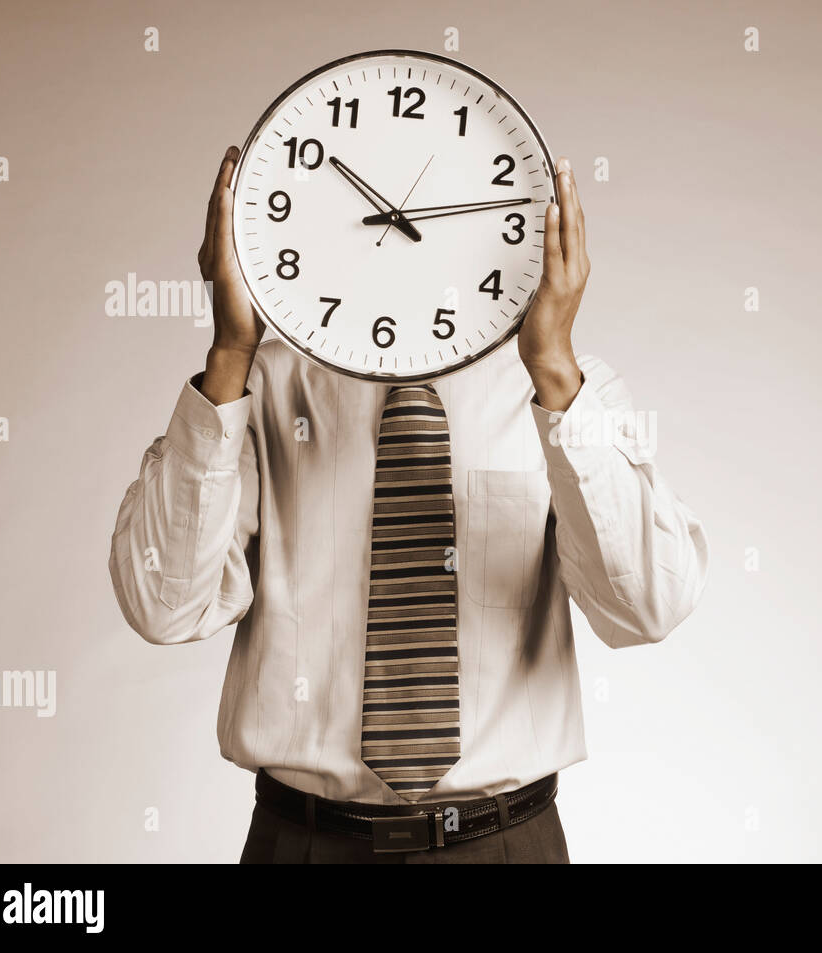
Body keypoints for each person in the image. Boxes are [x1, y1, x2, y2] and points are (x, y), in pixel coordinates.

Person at [108, 146, 709, 864]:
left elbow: (648, 606)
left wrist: (553, 367)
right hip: (302, 845)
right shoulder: (259, 387)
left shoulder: (564, 392)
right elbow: (163, 606)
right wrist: (232, 351)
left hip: (507, 845)